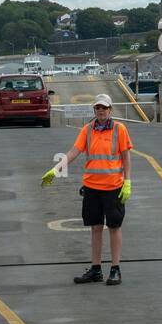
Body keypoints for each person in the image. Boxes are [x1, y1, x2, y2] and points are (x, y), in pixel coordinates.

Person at [41, 94, 133, 286]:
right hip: (92, 187)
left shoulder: (119, 129)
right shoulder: (88, 130)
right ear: (94, 110)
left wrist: (128, 181)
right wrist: (56, 169)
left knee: (114, 227)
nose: (101, 111)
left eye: (104, 108)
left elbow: (126, 157)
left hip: (113, 187)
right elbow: (74, 151)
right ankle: (96, 269)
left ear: (110, 110)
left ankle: (115, 269)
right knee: (96, 228)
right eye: (98, 108)